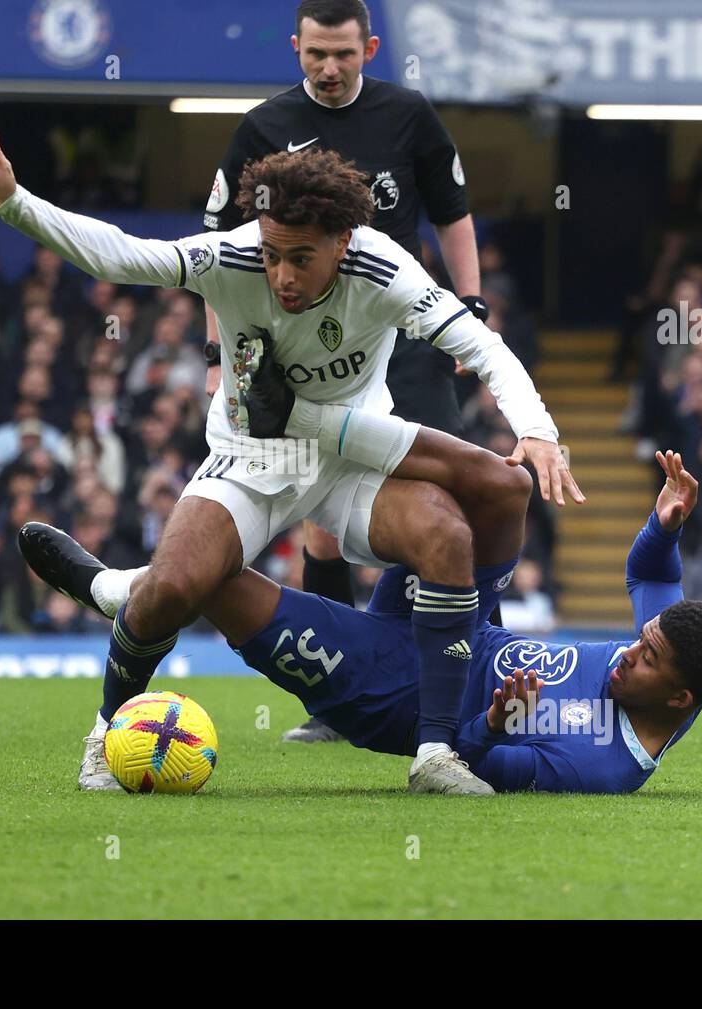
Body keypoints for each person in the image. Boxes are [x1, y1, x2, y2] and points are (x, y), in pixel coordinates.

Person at [0, 129, 581, 795]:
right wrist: (13, 203)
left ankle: (435, 754)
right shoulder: (231, 258)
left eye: (301, 258)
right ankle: (105, 730)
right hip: (252, 455)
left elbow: (484, 346)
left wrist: (538, 428)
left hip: (354, 454)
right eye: (272, 255)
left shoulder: (385, 272)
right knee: (175, 591)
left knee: (447, 535)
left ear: (342, 243)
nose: (283, 276)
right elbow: (122, 258)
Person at [27, 451, 702, 794]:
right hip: (463, 616)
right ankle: (333, 465)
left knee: (210, 578)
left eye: (646, 662)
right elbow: (650, 578)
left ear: (680, 698)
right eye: (641, 642)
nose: (627, 656)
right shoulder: (673, 656)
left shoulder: (601, 764)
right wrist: (663, 524)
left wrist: (495, 720)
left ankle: (115, 589)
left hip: (394, 690)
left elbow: (473, 763)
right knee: (495, 490)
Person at [201, 0, 495, 743]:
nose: (329, 71)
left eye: (344, 56)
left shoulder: (409, 115)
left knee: (452, 491)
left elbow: (452, 213)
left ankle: (475, 670)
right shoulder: (262, 129)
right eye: (314, 56)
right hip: (303, 344)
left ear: (368, 48)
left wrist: (472, 308)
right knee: (323, 530)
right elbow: (216, 254)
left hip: (408, 331)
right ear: (295, 47)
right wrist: (218, 359)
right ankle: (333, 703)